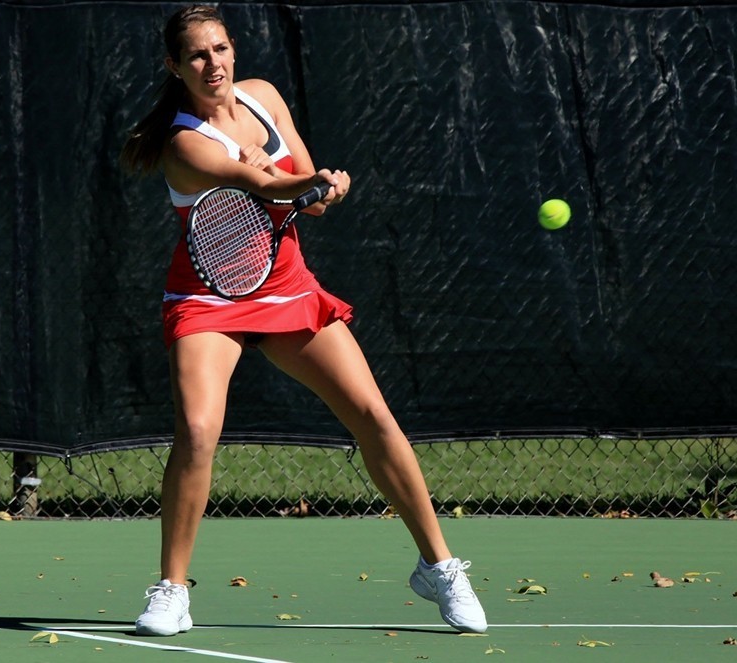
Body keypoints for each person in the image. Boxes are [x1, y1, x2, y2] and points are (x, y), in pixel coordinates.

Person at [119, 4, 487, 637]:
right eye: (199, 55)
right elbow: (269, 186)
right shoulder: (184, 145)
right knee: (200, 430)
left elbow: (302, 194)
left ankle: (440, 567)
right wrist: (306, 184)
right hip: (209, 296)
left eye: (222, 48)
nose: (215, 64)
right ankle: (171, 590)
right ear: (175, 67)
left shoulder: (262, 97)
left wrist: (326, 190)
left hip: (286, 284)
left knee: (373, 415)